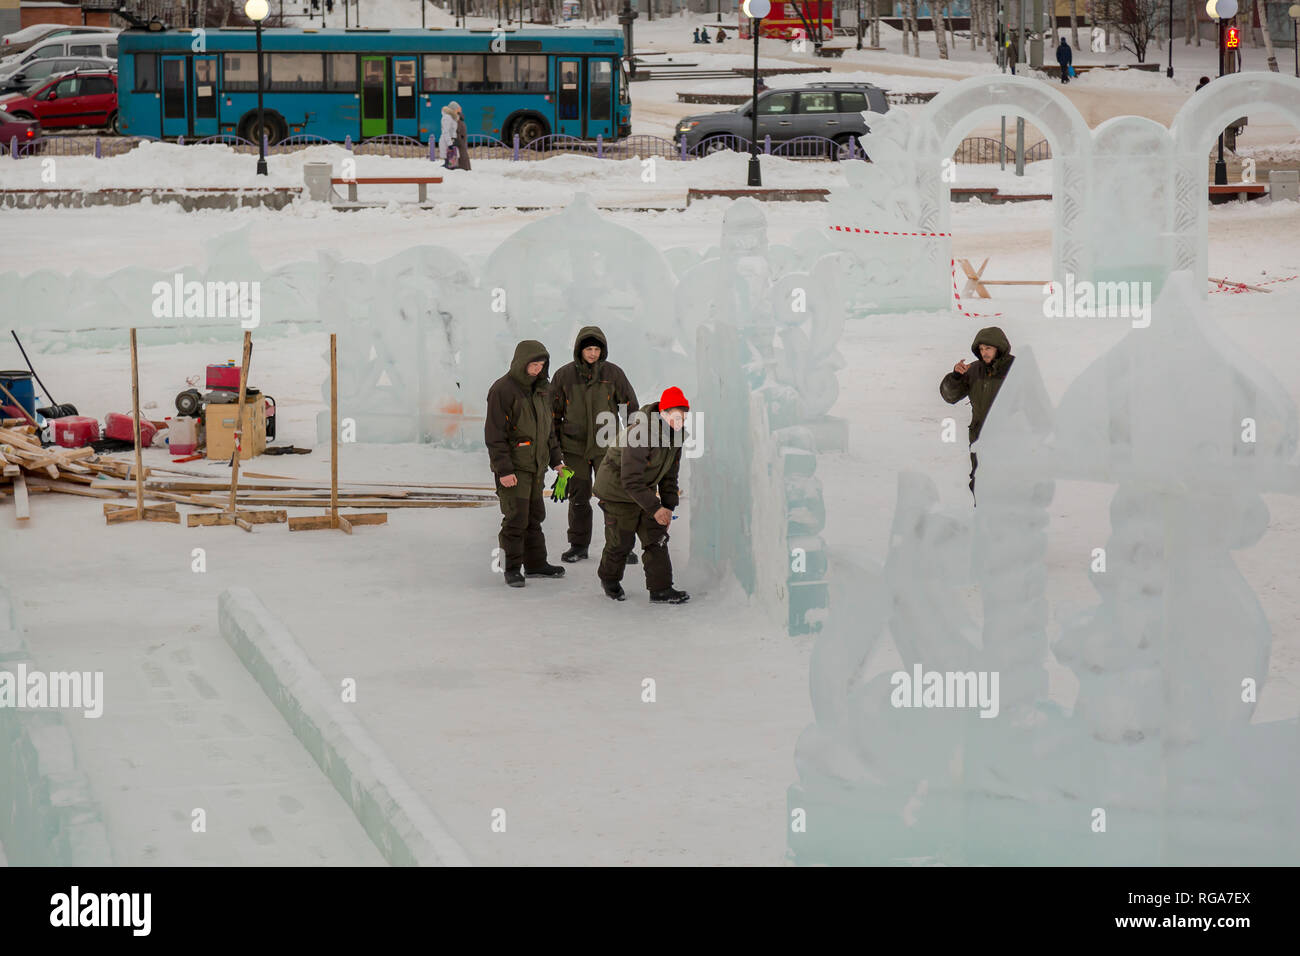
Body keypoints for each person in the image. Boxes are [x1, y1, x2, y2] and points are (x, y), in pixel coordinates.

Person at [550, 326, 639, 565]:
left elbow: (630, 406)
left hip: (606, 446)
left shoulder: (613, 374)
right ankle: (578, 546)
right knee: (578, 497)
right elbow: (552, 416)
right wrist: (556, 452)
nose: (592, 353)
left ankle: (622, 546)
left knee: (613, 497)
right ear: (580, 350)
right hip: (574, 449)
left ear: (602, 350)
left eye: (596, 349)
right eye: (588, 349)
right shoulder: (563, 376)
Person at [593, 388, 691, 604]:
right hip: (616, 491)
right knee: (621, 542)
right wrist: (656, 509)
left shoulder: (676, 436)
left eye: (684, 417)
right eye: (676, 416)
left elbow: (669, 475)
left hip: (642, 490)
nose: (680, 421)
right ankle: (609, 579)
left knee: (656, 538)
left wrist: (668, 508)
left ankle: (661, 589)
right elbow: (630, 479)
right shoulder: (640, 434)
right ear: (663, 413)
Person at [485, 341, 566, 588]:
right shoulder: (503, 390)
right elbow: (494, 435)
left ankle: (535, 564)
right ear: (521, 362)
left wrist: (557, 460)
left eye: (541, 365)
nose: (537, 369)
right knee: (515, 517)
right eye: (533, 364)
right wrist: (504, 470)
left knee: (534, 516)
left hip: (536, 467)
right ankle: (511, 568)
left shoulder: (543, 390)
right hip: (515, 469)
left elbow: (548, 430)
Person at [939, 327, 1015, 504]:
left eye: (988, 348)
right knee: (980, 482)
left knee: (1008, 485)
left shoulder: (1015, 369)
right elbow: (950, 396)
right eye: (981, 349)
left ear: (999, 348)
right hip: (979, 438)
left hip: (1009, 438)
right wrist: (956, 377)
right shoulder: (973, 370)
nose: (984, 353)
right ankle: (982, 521)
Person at [451, 102, 472, 171]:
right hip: (459, 145)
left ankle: (461, 168)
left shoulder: (457, 119)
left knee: (461, 158)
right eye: (459, 108)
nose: (461, 109)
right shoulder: (456, 119)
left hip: (460, 144)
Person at [439, 103, 458, 169]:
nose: (457, 110)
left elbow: (452, 131)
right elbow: (446, 132)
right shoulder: (447, 117)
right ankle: (447, 165)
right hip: (446, 140)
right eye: (456, 109)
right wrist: (450, 143)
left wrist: (454, 139)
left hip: (449, 140)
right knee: (448, 157)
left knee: (451, 158)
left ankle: (449, 165)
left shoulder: (451, 117)